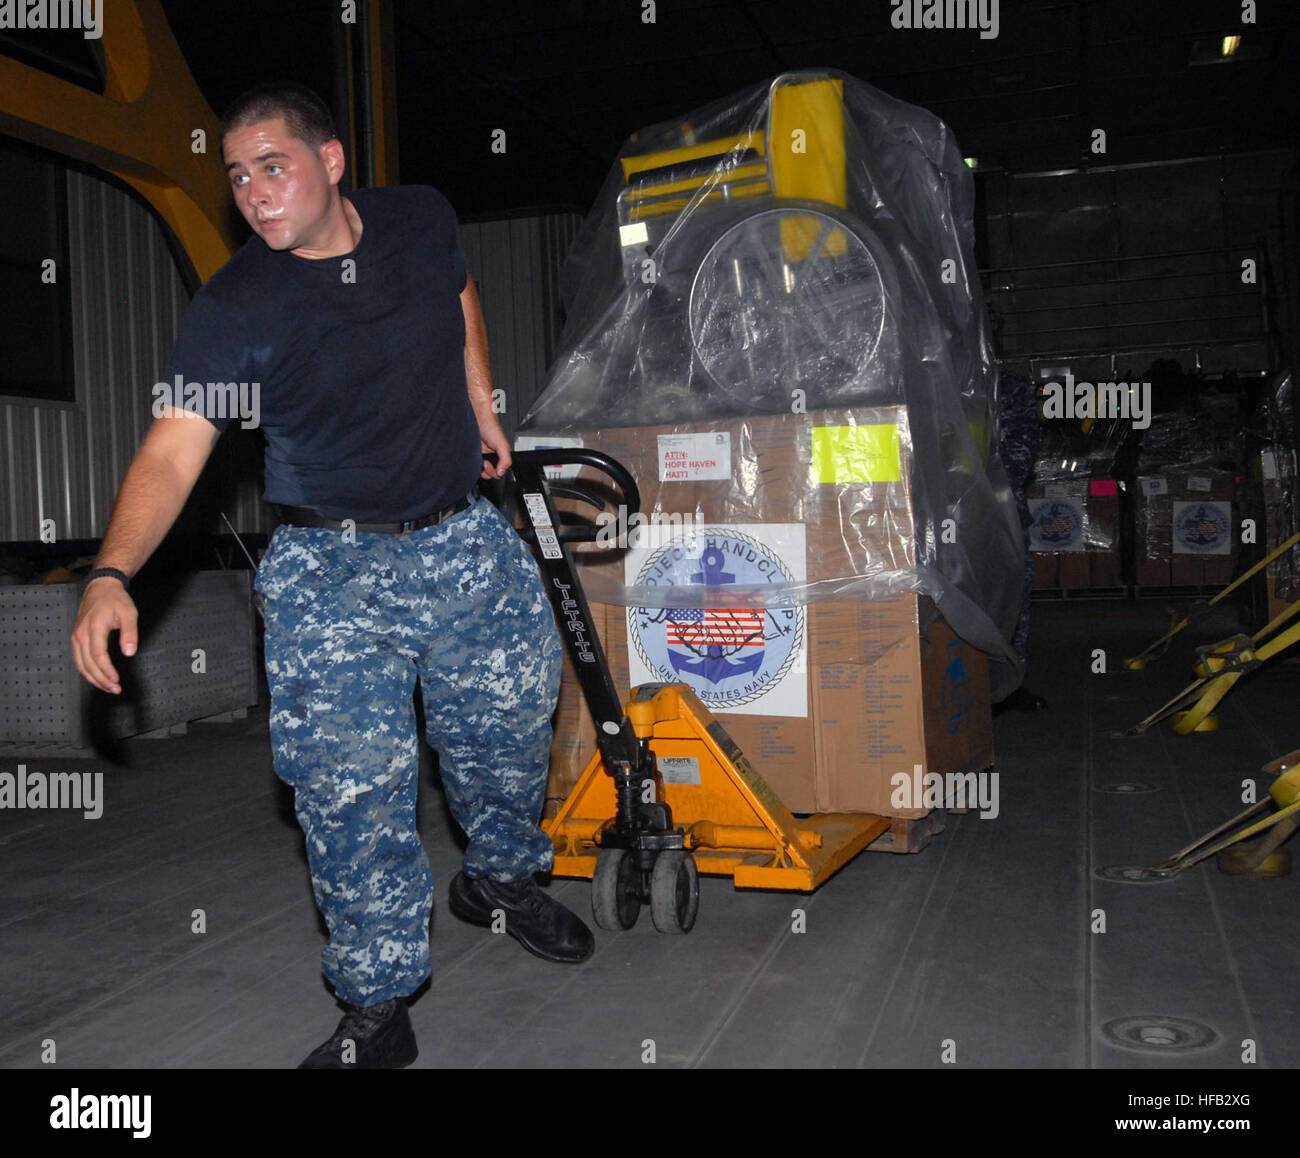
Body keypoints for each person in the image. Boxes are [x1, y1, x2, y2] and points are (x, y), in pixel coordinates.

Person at [69, 82, 591, 1069]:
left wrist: (480, 394)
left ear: (333, 161)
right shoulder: (238, 309)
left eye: (275, 165)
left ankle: (501, 880)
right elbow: (175, 453)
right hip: (329, 570)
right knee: (352, 793)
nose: (255, 191)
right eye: (237, 175)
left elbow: (456, 284)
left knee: (508, 744)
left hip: (461, 540)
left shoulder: (418, 217)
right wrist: (109, 573)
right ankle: (377, 1003)